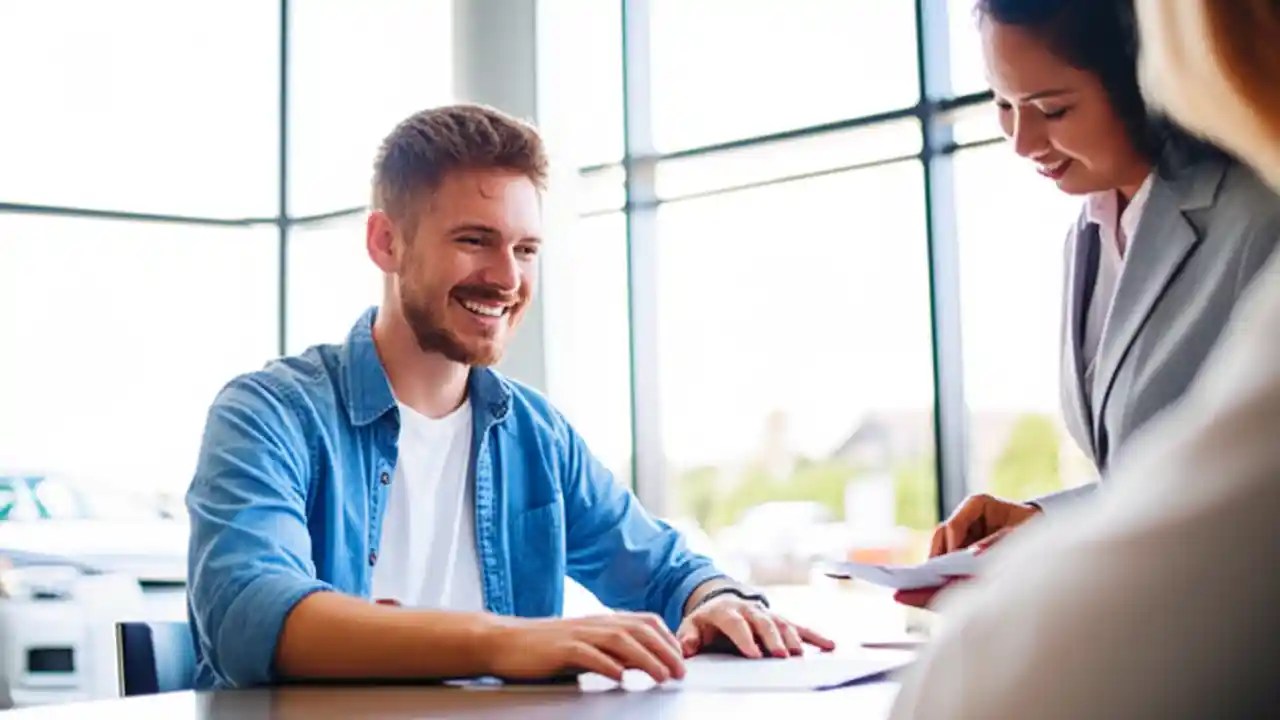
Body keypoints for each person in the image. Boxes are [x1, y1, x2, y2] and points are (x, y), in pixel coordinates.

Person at [185, 104, 833, 690]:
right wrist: (506, 641)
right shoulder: (270, 414)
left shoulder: (533, 432)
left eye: (526, 249)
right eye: (474, 241)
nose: (506, 278)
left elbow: (662, 569)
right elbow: (251, 613)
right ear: (386, 242)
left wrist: (713, 598)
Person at [889, 0, 1280, 716]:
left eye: (1052, 108)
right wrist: (1046, 522)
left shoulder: (1259, 213)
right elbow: (1168, 465)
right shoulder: (1093, 228)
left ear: (1143, 80)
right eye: (1003, 104)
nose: (1021, 139)